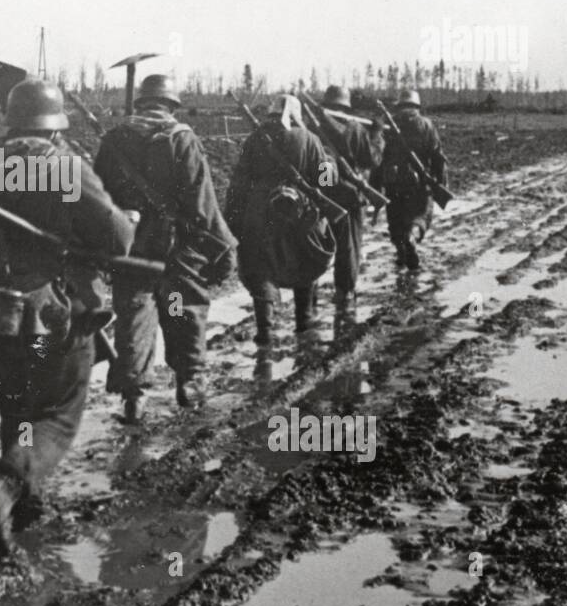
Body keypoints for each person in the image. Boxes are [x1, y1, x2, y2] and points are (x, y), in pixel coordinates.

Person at [0, 78, 133, 556]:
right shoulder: (61, 166)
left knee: (17, 409)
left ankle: (23, 507)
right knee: (57, 414)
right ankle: (5, 487)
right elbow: (119, 239)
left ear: (10, 120)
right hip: (50, 316)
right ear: (54, 125)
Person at [93, 74, 236, 425]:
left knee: (136, 316)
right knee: (180, 309)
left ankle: (134, 397)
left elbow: (99, 197)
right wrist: (224, 246)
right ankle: (189, 382)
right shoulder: (181, 139)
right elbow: (203, 203)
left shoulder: (114, 140)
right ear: (171, 105)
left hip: (132, 249)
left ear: (141, 103)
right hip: (177, 251)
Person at [225, 94, 333, 346]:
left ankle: (265, 329)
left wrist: (234, 221)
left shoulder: (255, 139)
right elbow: (325, 181)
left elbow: (238, 184)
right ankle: (304, 321)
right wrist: (330, 165)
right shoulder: (310, 139)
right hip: (300, 211)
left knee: (260, 267)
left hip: (259, 213)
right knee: (305, 260)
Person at [315, 85, 383, 317]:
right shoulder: (355, 128)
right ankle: (345, 293)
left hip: (322, 194)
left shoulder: (316, 125)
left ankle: (311, 291)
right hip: (349, 197)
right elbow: (371, 160)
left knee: (317, 243)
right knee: (349, 247)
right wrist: (376, 136)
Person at [376, 89, 447, 270]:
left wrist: (376, 187)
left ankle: (401, 250)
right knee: (420, 217)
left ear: (399, 105)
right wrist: (441, 183)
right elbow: (438, 157)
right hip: (419, 183)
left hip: (393, 183)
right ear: (417, 105)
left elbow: (377, 158)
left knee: (395, 219)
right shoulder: (426, 125)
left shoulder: (387, 125)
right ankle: (412, 238)